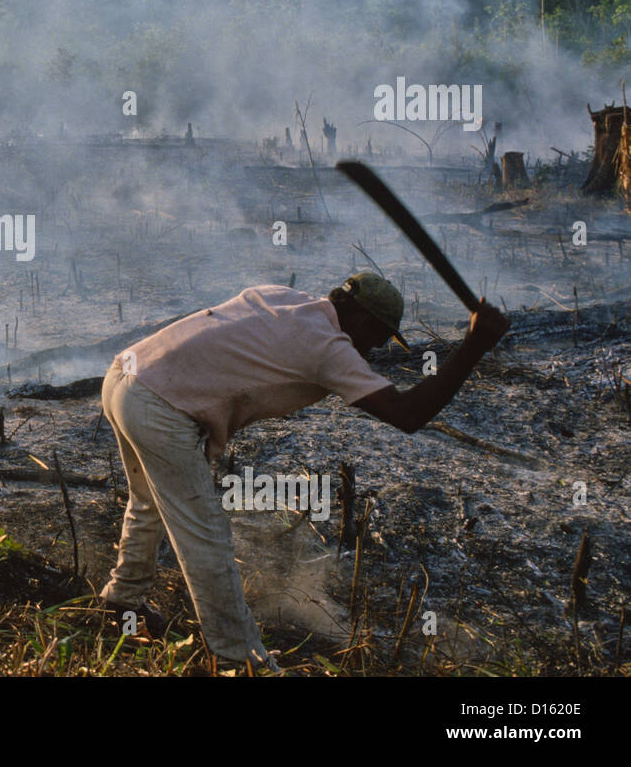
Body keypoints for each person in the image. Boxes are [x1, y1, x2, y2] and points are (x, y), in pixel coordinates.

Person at [97, 272, 510, 670]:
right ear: (364, 320)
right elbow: (409, 413)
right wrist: (474, 345)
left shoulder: (284, 297)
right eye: (379, 339)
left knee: (149, 501)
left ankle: (122, 601)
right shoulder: (327, 347)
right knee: (206, 536)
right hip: (158, 405)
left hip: (124, 376)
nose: (371, 352)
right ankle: (238, 661)